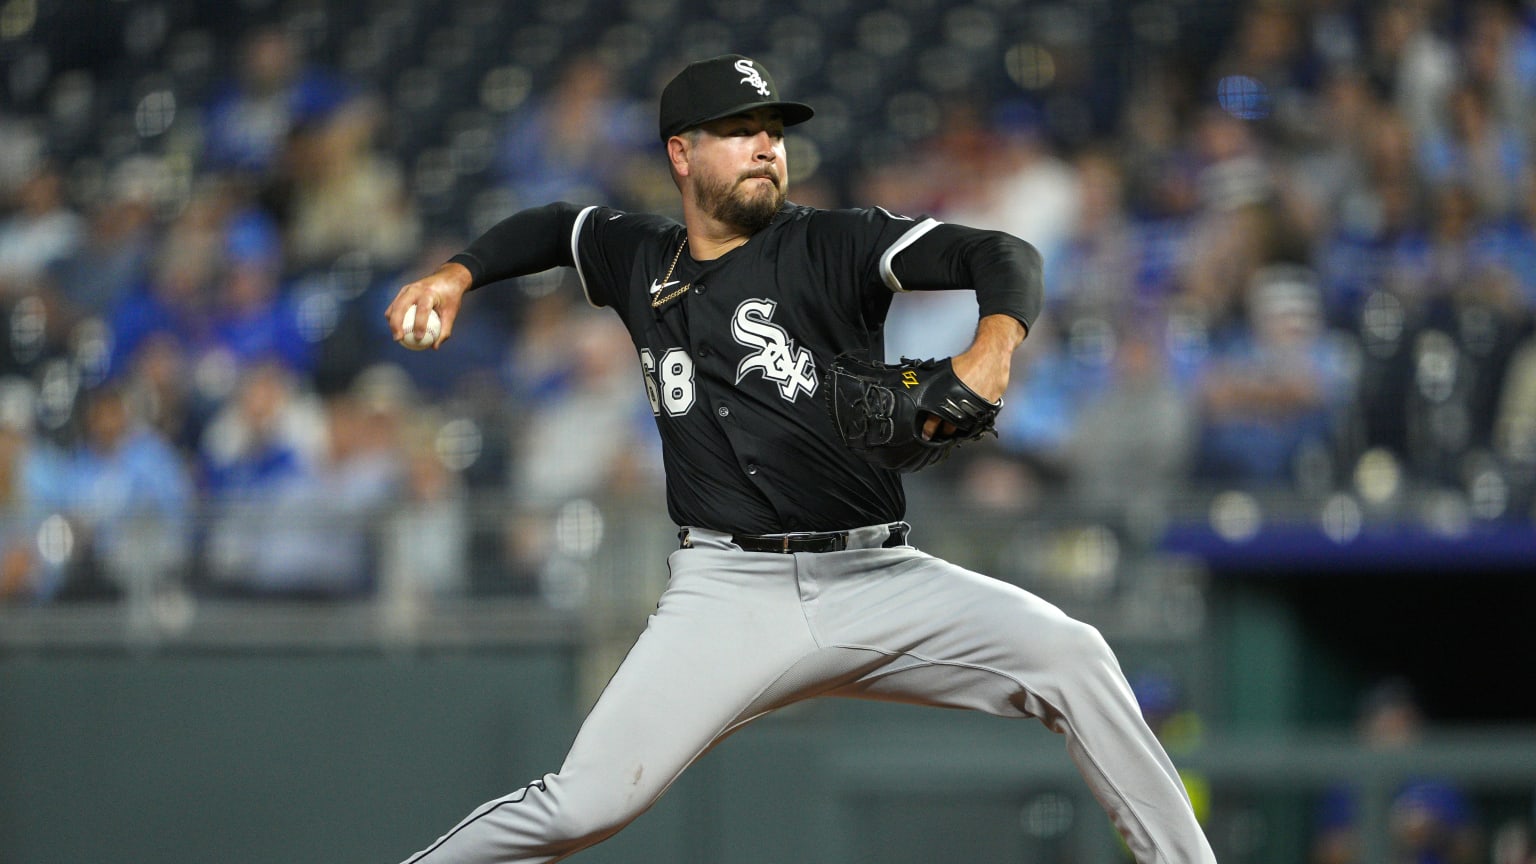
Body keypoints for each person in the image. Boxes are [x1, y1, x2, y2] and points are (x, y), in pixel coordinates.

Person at [385, 54, 1215, 864]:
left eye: (772, 132)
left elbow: (1003, 257)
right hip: (728, 594)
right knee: (586, 805)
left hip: (880, 580)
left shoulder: (834, 244)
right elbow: (553, 228)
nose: (764, 146)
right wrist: (457, 276)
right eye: (737, 131)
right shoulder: (639, 256)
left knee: (1074, 658)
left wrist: (993, 345)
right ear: (681, 154)